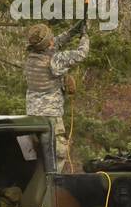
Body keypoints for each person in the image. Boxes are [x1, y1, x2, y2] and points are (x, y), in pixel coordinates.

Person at [24, 19, 89, 168]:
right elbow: (81, 54)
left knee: (35, 157)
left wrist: (76, 28)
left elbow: (57, 41)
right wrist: (84, 36)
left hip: (32, 115)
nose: (54, 39)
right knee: (57, 156)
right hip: (50, 117)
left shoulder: (32, 55)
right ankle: (52, 186)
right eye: (50, 38)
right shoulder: (54, 60)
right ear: (47, 44)